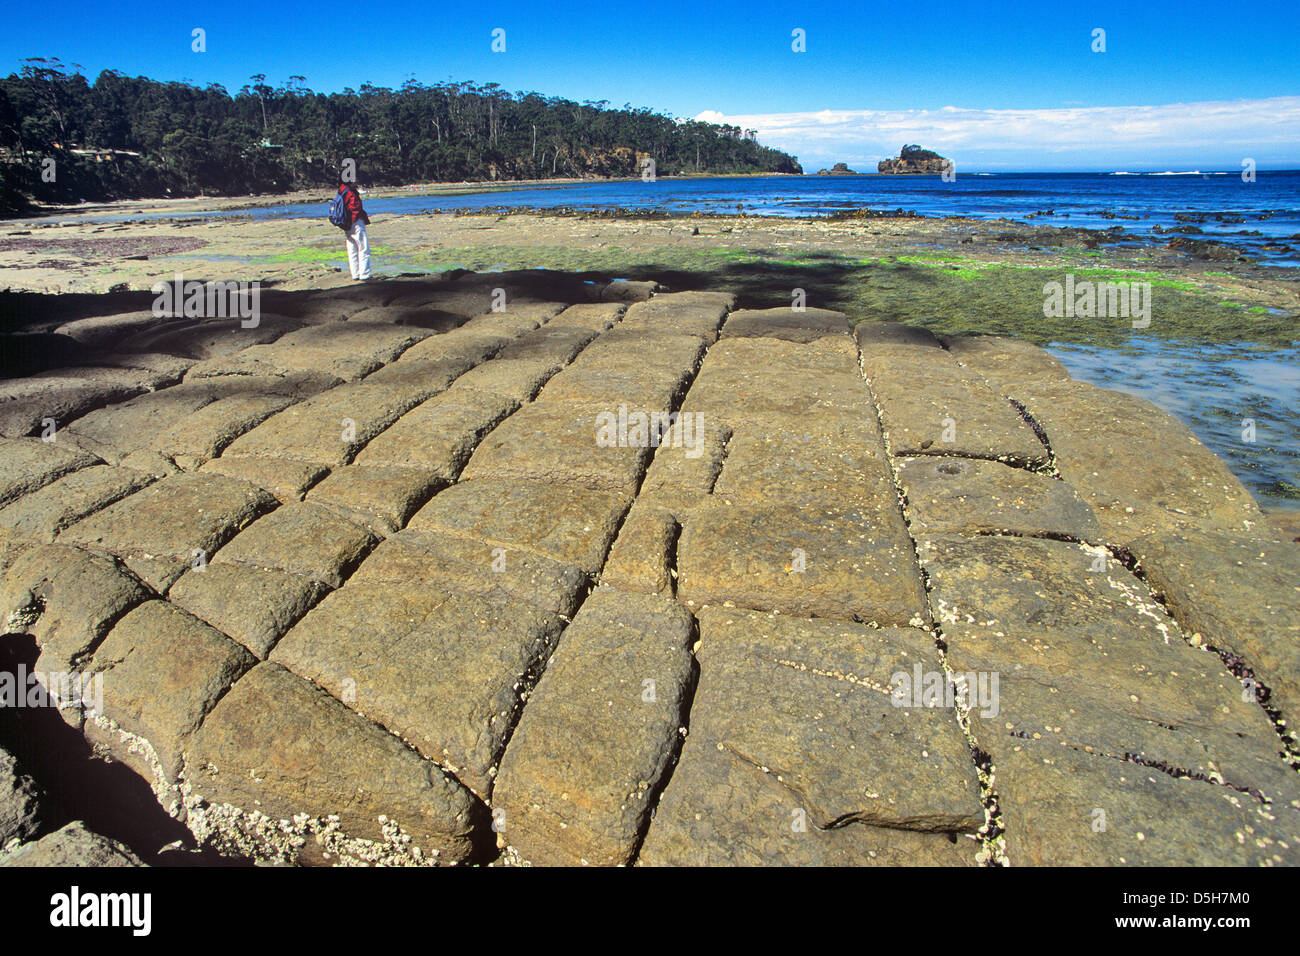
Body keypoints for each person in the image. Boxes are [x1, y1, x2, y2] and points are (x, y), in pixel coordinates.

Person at [336, 178, 371, 280]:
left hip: (346, 223)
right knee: (363, 248)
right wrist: (355, 219)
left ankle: (355, 274)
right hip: (355, 222)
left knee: (352, 249)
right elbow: (355, 208)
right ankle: (364, 274)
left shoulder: (342, 190)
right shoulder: (350, 191)